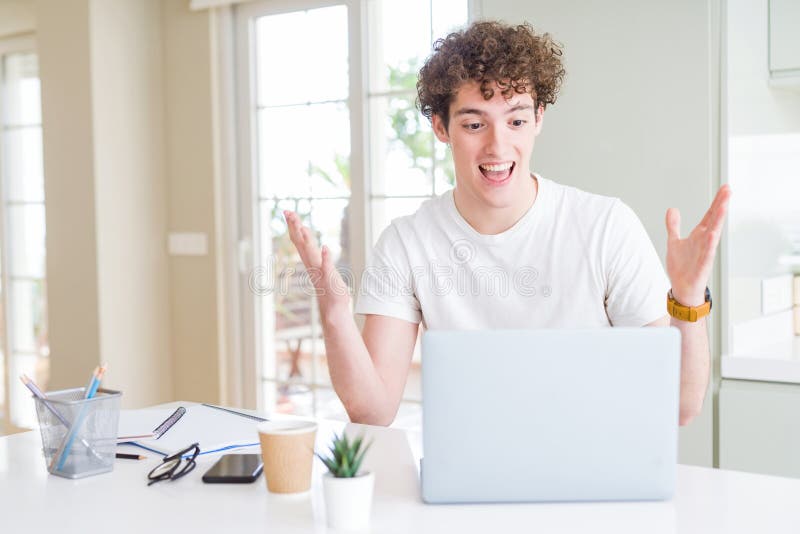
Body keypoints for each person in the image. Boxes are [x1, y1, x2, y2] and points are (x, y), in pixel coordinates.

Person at [284, 21, 730, 427]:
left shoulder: (606, 227)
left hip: (594, 473)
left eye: (516, 120)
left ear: (538, 119)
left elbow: (679, 406)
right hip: (468, 475)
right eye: (474, 124)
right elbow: (373, 410)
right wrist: (335, 316)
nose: (498, 146)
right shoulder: (406, 242)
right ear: (441, 128)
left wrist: (688, 300)